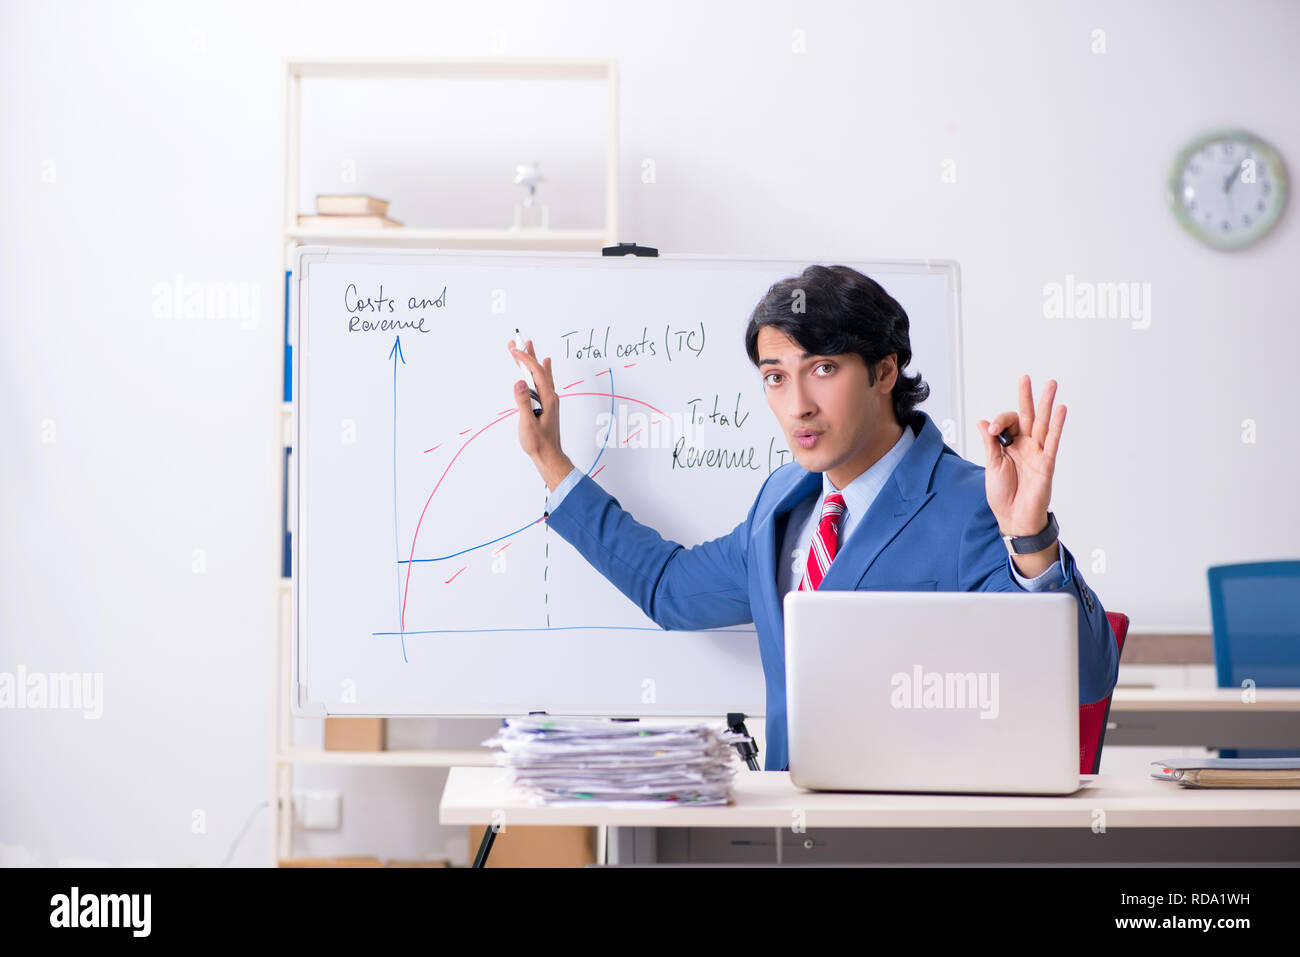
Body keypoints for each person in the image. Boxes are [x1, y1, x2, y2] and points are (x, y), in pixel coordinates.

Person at [506, 264, 1118, 772]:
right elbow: (671, 592)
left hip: (911, 842)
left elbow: (1085, 679)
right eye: (776, 378)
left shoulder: (973, 503)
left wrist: (1030, 536)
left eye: (823, 369)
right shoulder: (783, 502)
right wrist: (550, 461)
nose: (797, 405)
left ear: (883, 371)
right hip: (789, 834)